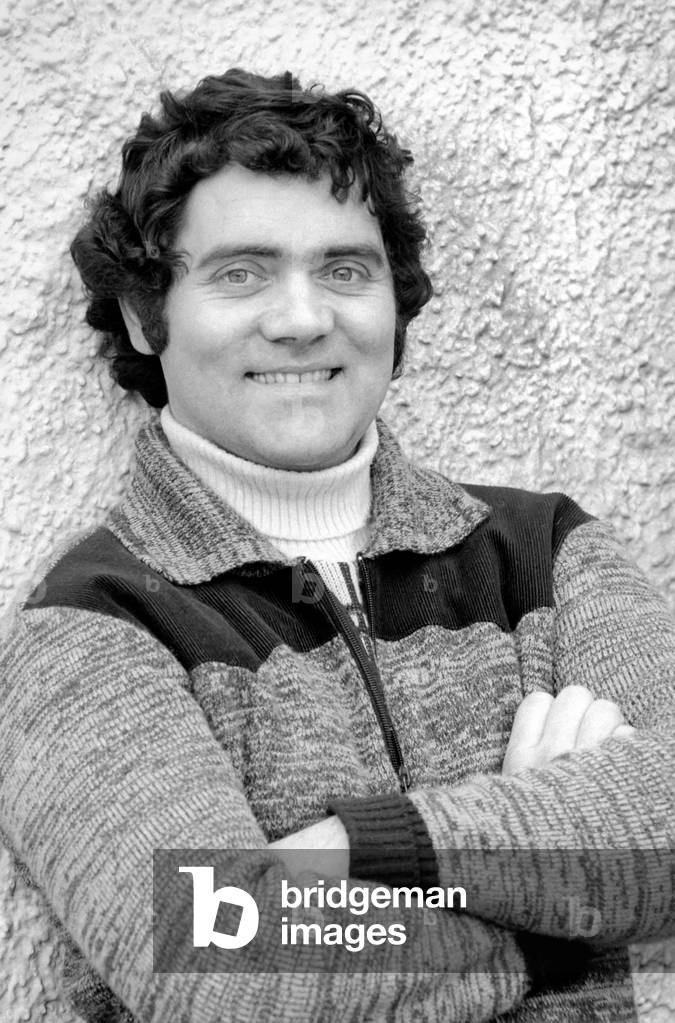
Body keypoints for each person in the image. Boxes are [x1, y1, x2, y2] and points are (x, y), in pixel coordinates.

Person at [0, 67, 672, 1023]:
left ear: (393, 303)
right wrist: (568, 901)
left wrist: (368, 847)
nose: (303, 318)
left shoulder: (545, 552)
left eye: (345, 270)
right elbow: (222, 971)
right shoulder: (91, 625)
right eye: (240, 272)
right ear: (148, 317)